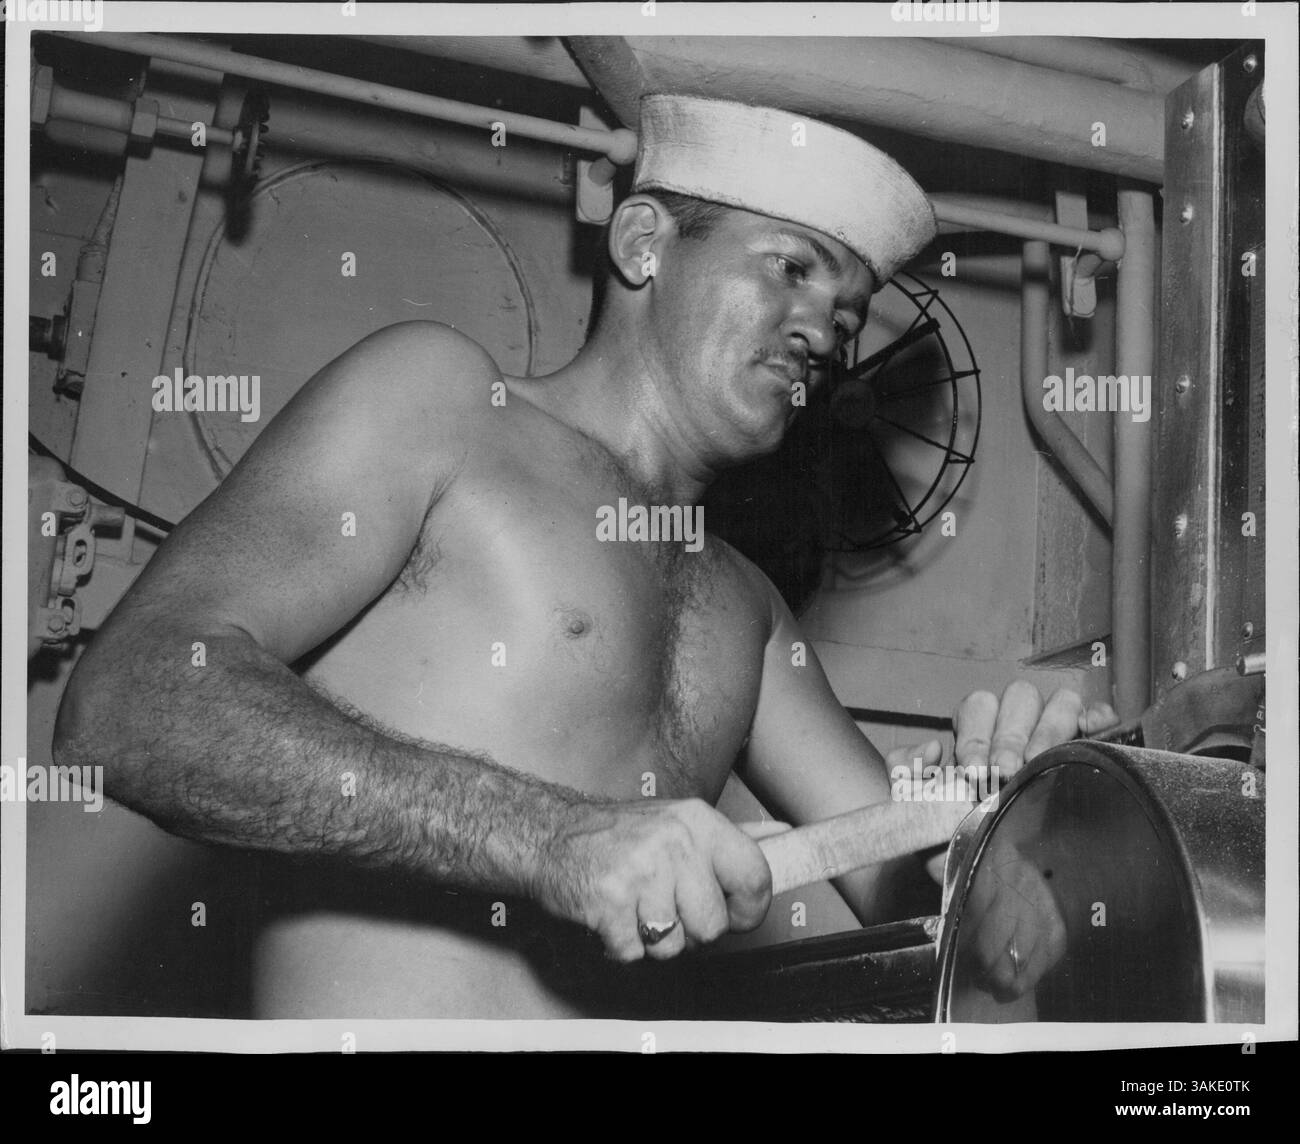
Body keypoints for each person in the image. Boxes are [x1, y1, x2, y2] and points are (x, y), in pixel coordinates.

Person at [53, 95, 1115, 1019]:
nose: (821, 336)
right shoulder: (444, 404)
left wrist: (1002, 822)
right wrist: (555, 839)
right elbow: (131, 702)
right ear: (644, 242)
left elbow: (925, 899)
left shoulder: (747, 610)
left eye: (843, 316)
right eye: (790, 270)